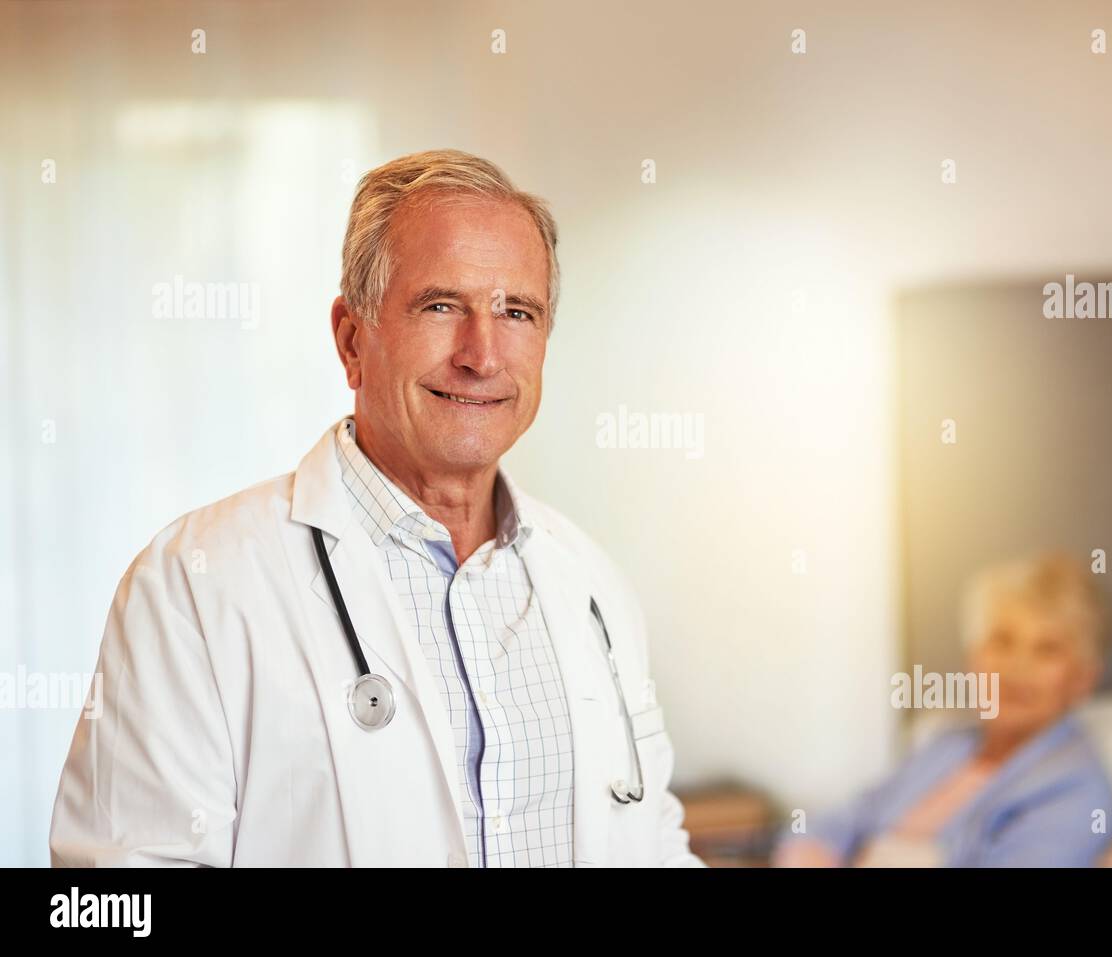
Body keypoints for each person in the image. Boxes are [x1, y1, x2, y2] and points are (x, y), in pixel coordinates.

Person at [50, 149, 702, 868]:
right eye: (441, 305)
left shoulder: (589, 582)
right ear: (352, 339)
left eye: (517, 311)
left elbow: (653, 846)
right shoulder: (193, 585)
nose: (482, 354)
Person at [774, 553, 1112, 867]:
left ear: (1083, 679)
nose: (1015, 668)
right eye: (1001, 641)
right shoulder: (946, 744)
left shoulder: (1074, 787)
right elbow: (835, 823)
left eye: (1047, 650)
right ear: (974, 655)